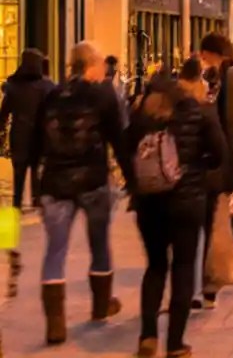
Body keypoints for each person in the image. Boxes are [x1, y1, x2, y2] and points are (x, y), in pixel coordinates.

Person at [29, 41, 131, 345]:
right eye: (101, 64)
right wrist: (132, 179)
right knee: (99, 243)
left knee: (55, 251)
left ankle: (55, 325)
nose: (104, 70)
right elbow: (119, 138)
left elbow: (37, 142)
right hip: (93, 181)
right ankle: (100, 307)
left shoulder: (52, 96)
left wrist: (35, 183)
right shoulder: (103, 94)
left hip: (55, 182)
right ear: (91, 65)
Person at [126, 61, 227, 358]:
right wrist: (197, 168)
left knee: (155, 267)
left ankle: (147, 336)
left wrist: (137, 183)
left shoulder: (142, 117)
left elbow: (126, 148)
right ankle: (175, 344)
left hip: (149, 203)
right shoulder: (202, 112)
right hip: (187, 202)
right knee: (183, 269)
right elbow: (220, 154)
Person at [194, 33, 233, 310]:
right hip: (230, 161)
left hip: (207, 162)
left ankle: (210, 282)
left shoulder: (206, 79)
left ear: (211, 54)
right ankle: (211, 283)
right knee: (225, 221)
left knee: (213, 224)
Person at [0, 49, 55, 211]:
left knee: (19, 169)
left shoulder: (14, 86)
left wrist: (2, 128)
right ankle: (36, 197)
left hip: (19, 133)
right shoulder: (45, 86)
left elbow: (4, 112)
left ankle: (17, 201)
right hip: (38, 133)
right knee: (36, 166)